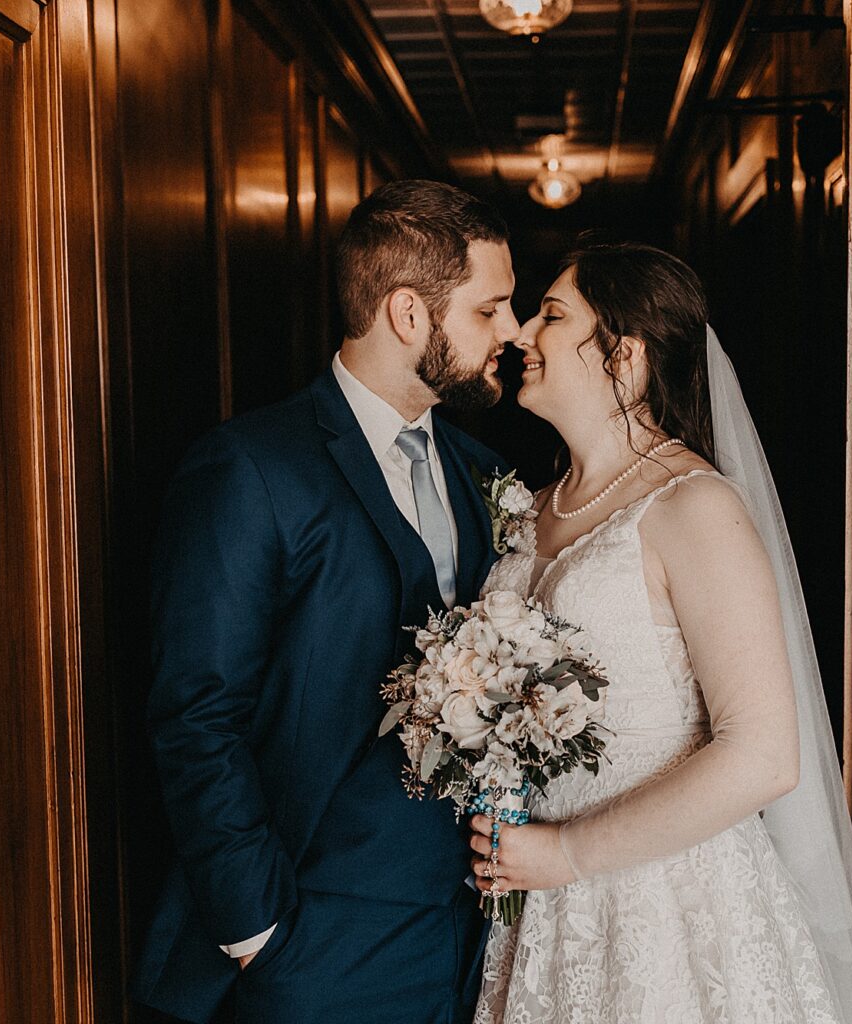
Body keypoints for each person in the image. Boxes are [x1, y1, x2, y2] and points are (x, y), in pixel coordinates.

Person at [132, 179, 518, 1024]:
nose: (512, 333)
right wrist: (258, 927)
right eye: (491, 310)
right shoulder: (251, 468)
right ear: (410, 315)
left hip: (469, 931)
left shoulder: (483, 475)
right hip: (316, 937)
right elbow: (197, 711)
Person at [469, 241, 852, 1023]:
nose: (521, 334)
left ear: (622, 357)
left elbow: (761, 755)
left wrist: (566, 853)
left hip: (671, 913)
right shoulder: (531, 506)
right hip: (540, 913)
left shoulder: (694, 507)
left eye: (552, 316)